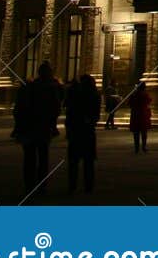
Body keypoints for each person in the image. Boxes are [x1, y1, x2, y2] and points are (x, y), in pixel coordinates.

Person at [12, 63, 64, 195]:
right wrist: (52, 124)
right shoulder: (50, 88)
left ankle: (29, 185)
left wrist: (19, 125)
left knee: (29, 158)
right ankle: (41, 185)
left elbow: (18, 109)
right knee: (43, 157)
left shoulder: (27, 87)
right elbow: (56, 108)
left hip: (28, 128)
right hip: (42, 127)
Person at [64, 74, 100, 194]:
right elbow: (96, 115)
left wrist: (69, 129)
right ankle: (88, 186)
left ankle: (72, 185)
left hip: (76, 131)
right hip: (87, 131)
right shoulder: (94, 95)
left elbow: (69, 113)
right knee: (88, 161)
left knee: (74, 161)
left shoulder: (75, 95)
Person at [127, 80, 152, 153]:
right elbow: (149, 100)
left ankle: (137, 148)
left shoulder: (134, 94)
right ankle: (143, 147)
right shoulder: (144, 94)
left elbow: (129, 103)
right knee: (143, 132)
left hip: (135, 114)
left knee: (136, 132)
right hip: (142, 114)